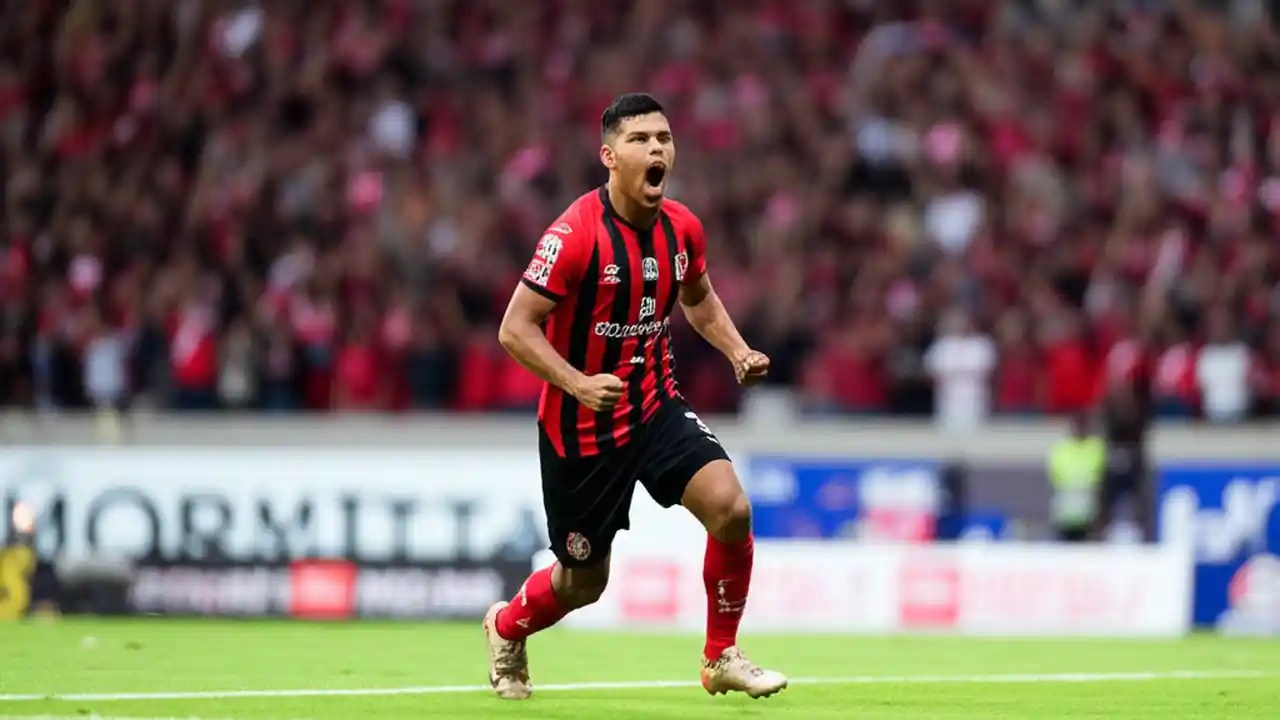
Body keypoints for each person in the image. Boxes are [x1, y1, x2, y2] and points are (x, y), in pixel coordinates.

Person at [486, 93, 788, 701]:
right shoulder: (573, 235)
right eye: (641, 139)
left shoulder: (683, 228)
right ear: (609, 156)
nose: (657, 149)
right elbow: (514, 328)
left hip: (654, 408)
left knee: (731, 509)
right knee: (582, 583)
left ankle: (720, 654)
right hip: (580, 432)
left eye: (665, 138)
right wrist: (576, 381)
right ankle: (505, 626)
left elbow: (697, 297)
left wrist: (736, 350)